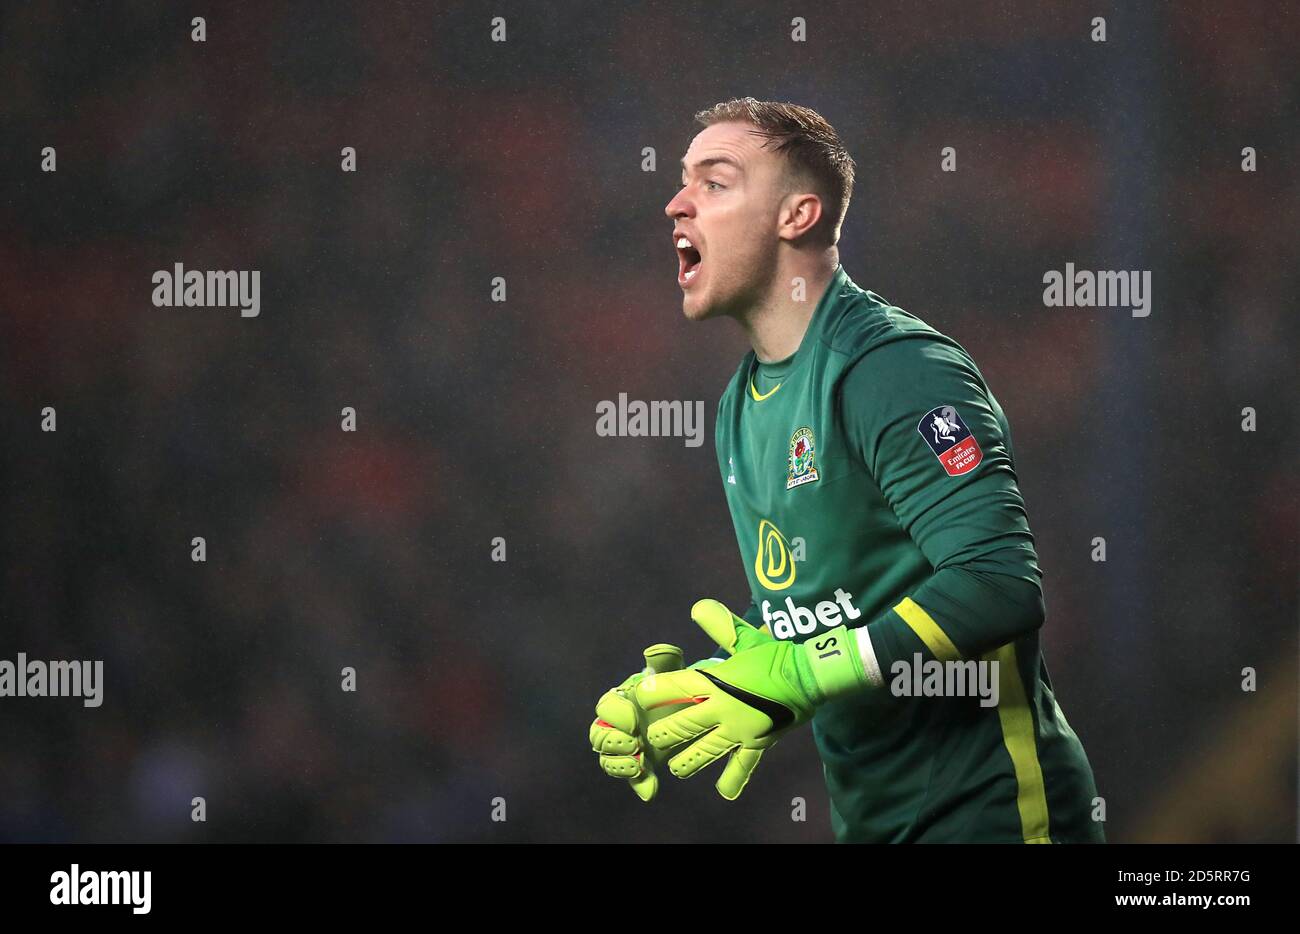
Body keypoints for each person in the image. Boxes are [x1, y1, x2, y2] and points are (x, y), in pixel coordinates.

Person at [590, 98, 1103, 843]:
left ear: (796, 215)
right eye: (682, 181)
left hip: (994, 818)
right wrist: (689, 693)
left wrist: (803, 675)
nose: (675, 202)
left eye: (715, 182)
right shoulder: (740, 406)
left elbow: (996, 583)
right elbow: (822, 617)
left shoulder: (893, 368)